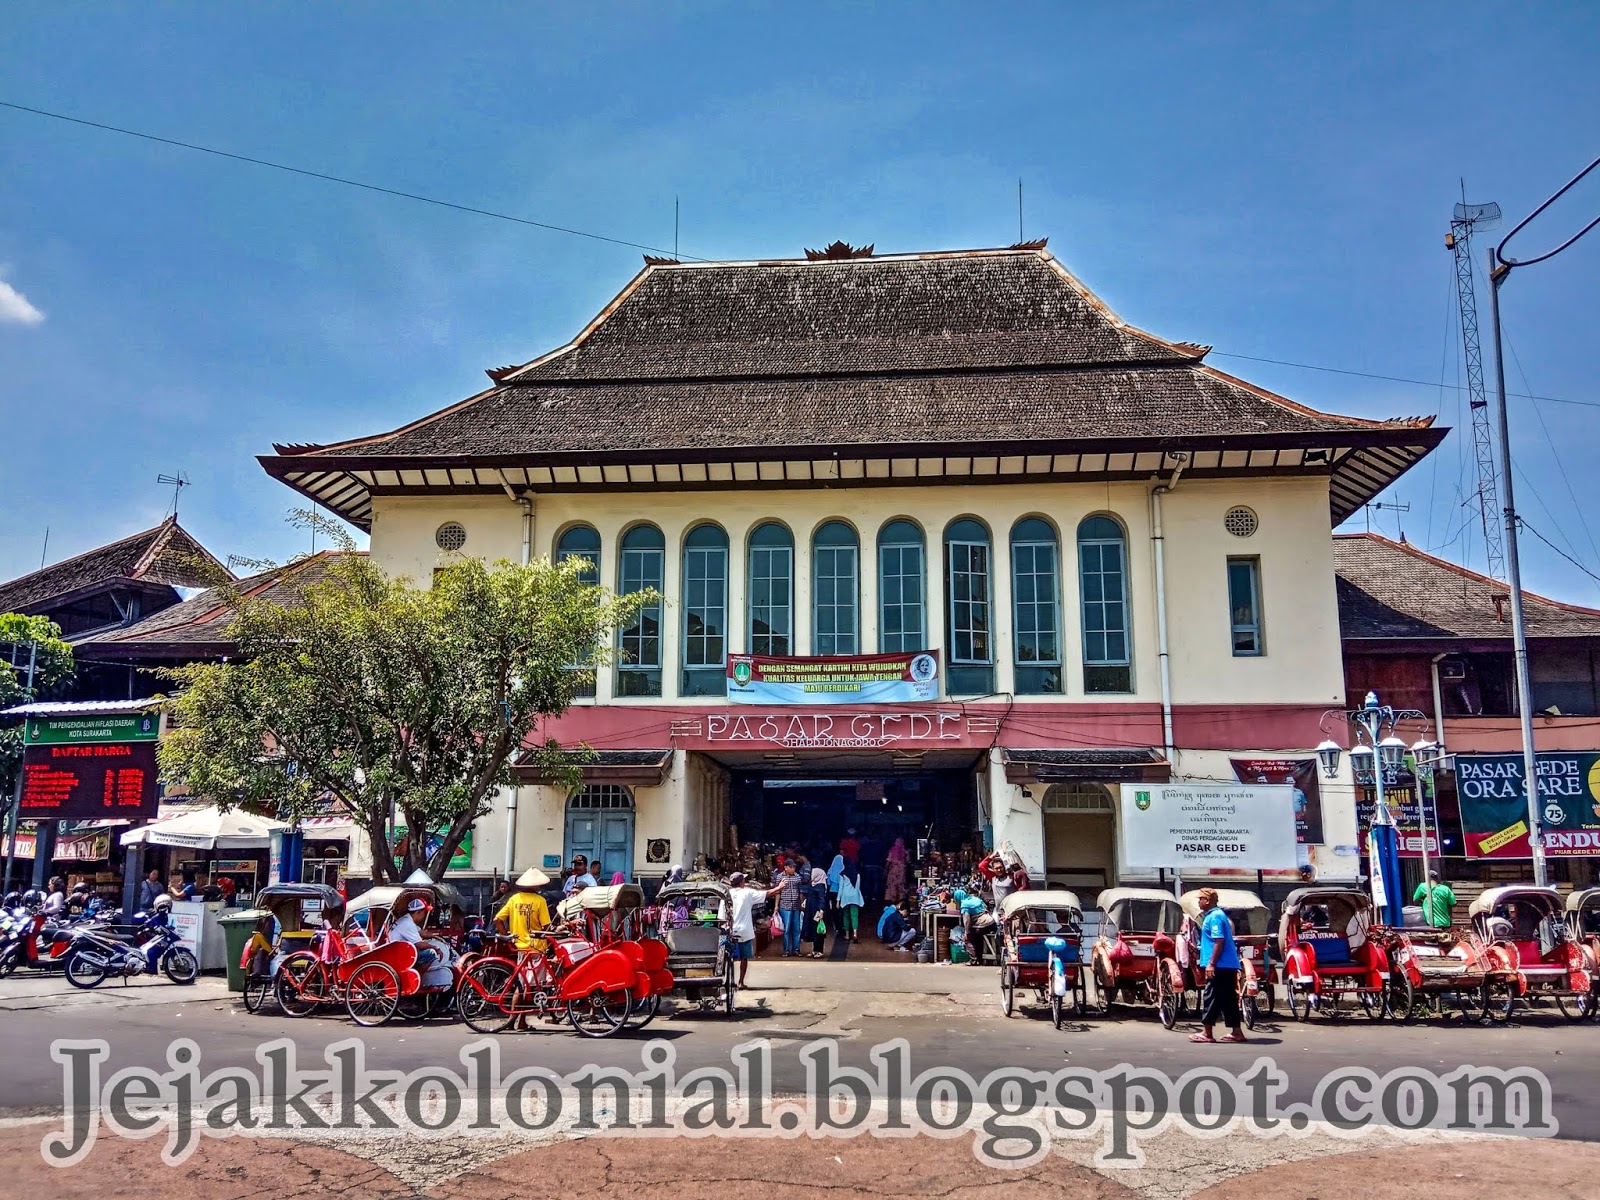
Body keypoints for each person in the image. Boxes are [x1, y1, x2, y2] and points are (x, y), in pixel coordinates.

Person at [1192, 888, 1246, 1044]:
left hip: (1220, 965)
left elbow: (1219, 941)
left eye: (1200, 899)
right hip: (1227, 964)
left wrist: (1211, 964)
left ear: (1207, 901)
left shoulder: (1214, 917)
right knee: (1228, 999)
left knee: (1211, 996)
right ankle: (1237, 1032)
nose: (1199, 902)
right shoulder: (1216, 915)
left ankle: (1207, 1032)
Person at [721, 872, 783, 987]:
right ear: (741, 882)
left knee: (726, 956)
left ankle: (724, 979)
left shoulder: (725, 895)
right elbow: (767, 893)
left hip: (729, 930)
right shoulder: (747, 893)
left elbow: (721, 918)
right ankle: (741, 982)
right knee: (744, 958)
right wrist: (779, 887)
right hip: (744, 930)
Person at [390, 897, 441, 972]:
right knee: (431, 953)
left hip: (397, 950)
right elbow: (419, 944)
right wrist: (435, 948)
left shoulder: (406, 919)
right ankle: (419, 976)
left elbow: (421, 932)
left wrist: (434, 936)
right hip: (398, 955)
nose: (425, 915)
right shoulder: (408, 924)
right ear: (418, 912)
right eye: (424, 912)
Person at [772, 859, 809, 956]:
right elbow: (777, 892)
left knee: (797, 929)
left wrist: (802, 904)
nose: (793, 869)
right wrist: (776, 906)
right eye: (791, 867)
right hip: (785, 906)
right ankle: (786, 950)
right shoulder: (780, 877)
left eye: (794, 867)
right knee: (786, 929)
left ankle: (796, 949)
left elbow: (800, 891)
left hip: (796, 906)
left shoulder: (797, 877)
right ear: (786, 867)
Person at [952, 887, 987, 964]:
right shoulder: (973, 899)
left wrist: (966, 932)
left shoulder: (964, 905)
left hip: (983, 923)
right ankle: (979, 959)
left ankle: (973, 960)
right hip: (990, 922)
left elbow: (966, 920)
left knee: (968, 938)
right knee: (977, 937)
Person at [836, 860, 865, 944]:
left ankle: (847, 934)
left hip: (845, 897)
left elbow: (841, 887)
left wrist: (838, 900)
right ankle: (855, 933)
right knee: (854, 915)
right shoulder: (857, 874)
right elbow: (858, 887)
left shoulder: (843, 874)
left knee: (846, 915)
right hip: (855, 897)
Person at [805, 867, 831, 958]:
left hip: (817, 911)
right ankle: (815, 950)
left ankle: (819, 951)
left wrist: (821, 911)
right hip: (811, 910)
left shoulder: (820, 886)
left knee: (818, 931)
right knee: (814, 930)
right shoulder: (813, 884)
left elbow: (822, 899)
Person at [884, 838, 908, 904]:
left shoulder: (892, 850)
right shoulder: (905, 851)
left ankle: (893, 900)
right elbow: (908, 861)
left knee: (892, 885)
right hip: (902, 871)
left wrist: (886, 870)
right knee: (901, 885)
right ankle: (900, 900)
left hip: (893, 870)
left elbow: (888, 861)